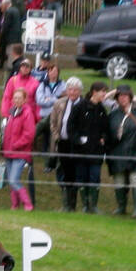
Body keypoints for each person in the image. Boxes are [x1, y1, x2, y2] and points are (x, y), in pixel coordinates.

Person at [104, 85, 136, 215]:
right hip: (117, 152)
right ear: (117, 98)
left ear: (130, 97)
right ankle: (121, 207)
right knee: (119, 180)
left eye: (125, 96)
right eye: (120, 96)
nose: (123, 98)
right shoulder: (112, 114)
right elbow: (107, 133)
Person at [68, 81, 110, 214]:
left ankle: (93, 205)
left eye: (105, 91)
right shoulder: (79, 107)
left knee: (95, 177)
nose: (104, 94)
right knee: (82, 177)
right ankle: (85, 205)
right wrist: (78, 140)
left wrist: (104, 137)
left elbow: (105, 128)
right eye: (102, 91)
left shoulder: (102, 109)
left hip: (96, 151)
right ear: (94, 92)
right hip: (81, 151)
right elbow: (71, 127)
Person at [49, 77, 84, 210]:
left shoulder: (84, 105)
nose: (73, 92)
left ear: (80, 91)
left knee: (76, 174)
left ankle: (74, 205)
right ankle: (66, 205)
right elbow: (52, 123)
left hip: (77, 145)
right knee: (65, 173)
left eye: (75, 90)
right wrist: (57, 137)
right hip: (62, 142)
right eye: (70, 89)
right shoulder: (59, 103)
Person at [2, 86, 37, 210]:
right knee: (11, 181)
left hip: (20, 152)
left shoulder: (27, 113)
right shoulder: (11, 112)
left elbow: (29, 134)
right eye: (15, 98)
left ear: (24, 100)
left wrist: (16, 144)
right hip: (8, 152)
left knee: (13, 180)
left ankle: (28, 204)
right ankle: (14, 205)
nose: (16, 100)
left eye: (19, 98)